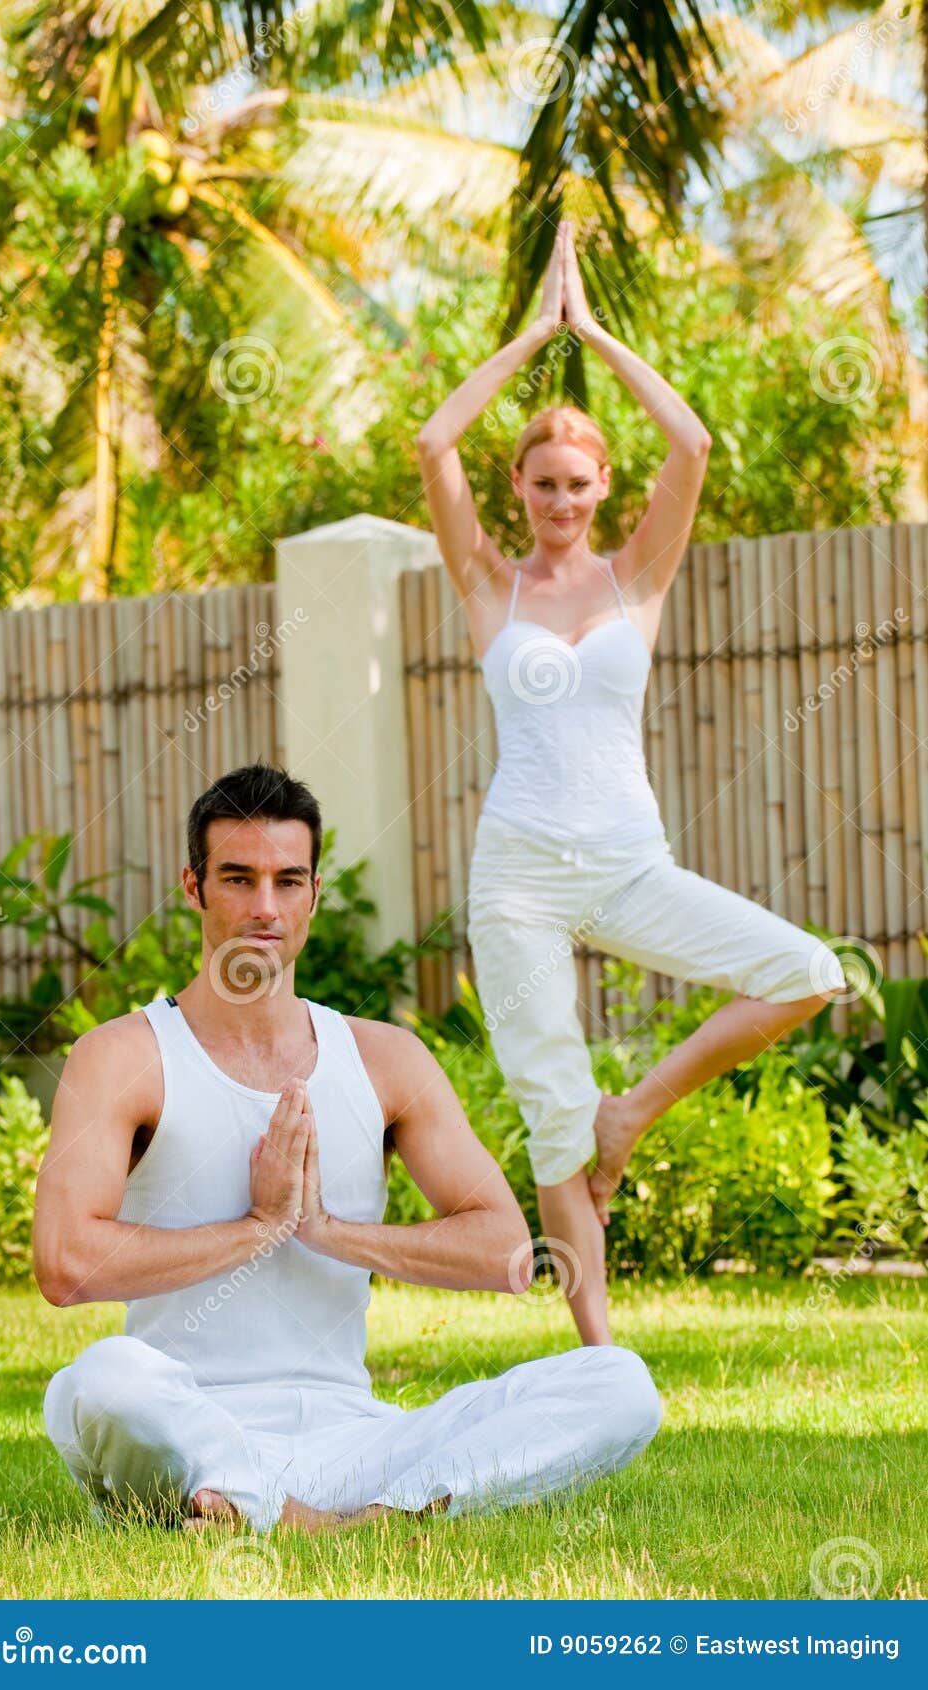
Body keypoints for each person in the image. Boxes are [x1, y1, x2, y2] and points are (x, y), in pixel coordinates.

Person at [34, 762, 663, 1536]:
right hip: (189, 1427)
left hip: (355, 1436)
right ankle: (281, 1506)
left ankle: (345, 1514)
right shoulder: (122, 1055)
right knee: (101, 1380)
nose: (264, 907)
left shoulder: (384, 1057)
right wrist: (255, 1229)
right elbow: (64, 1263)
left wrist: (326, 1231)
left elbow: (504, 1252)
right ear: (192, 888)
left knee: (618, 1382)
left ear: (314, 893)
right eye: (237, 879)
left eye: (287, 881)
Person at [415, 220, 846, 1348]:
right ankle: (601, 1350)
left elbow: (694, 443)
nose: (560, 497)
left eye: (577, 481)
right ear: (518, 485)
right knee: (550, 1111)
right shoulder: (488, 585)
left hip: (626, 858)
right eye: (542, 480)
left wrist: (593, 334)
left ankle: (634, 1114)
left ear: (602, 487)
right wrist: (529, 337)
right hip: (517, 874)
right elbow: (429, 440)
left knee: (803, 970)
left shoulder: (636, 575)